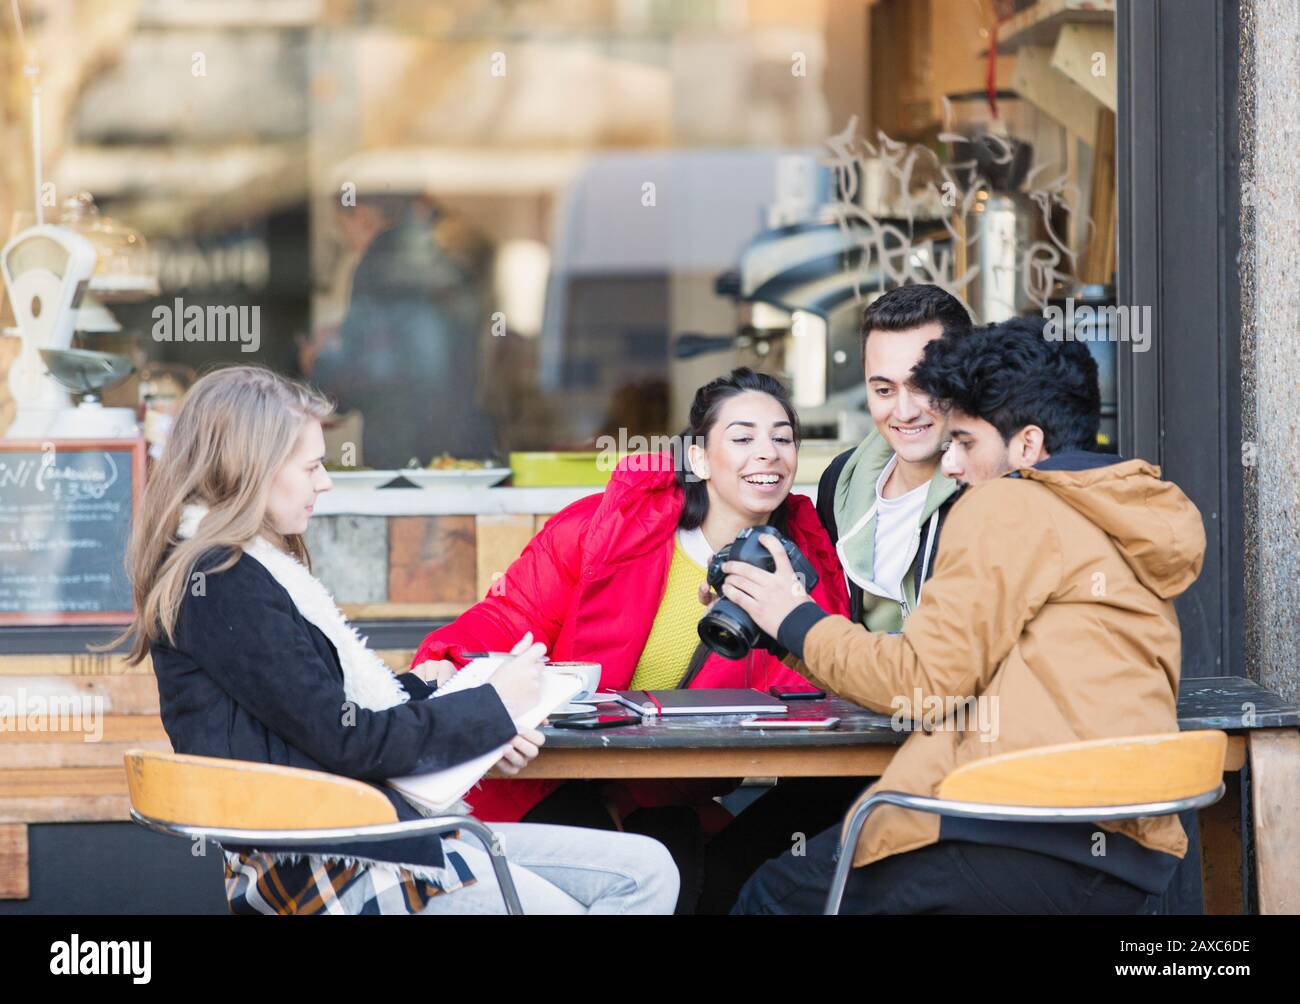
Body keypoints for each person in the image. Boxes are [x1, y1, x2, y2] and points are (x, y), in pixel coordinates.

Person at [124, 365, 677, 914]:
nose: (326, 480)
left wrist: (445, 696)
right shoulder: (222, 584)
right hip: (334, 859)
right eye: (312, 466)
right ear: (252, 470)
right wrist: (492, 708)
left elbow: (315, 714)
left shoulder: (238, 571)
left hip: (372, 834)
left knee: (647, 871)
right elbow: (349, 742)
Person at [717, 318, 1207, 914]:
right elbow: (954, 675)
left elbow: (919, 683)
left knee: (770, 895)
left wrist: (794, 615)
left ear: (1026, 446)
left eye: (967, 442)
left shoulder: (1010, 502)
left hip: (1019, 826)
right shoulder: (1118, 512)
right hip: (1116, 844)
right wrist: (785, 631)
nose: (950, 464)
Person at [412, 367, 850, 911]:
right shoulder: (607, 530)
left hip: (665, 794)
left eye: (782, 438)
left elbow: (813, 695)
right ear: (696, 458)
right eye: (742, 438)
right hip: (543, 775)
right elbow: (505, 618)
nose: (768, 453)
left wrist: (790, 610)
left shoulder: (801, 570)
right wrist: (442, 669)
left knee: (704, 876)